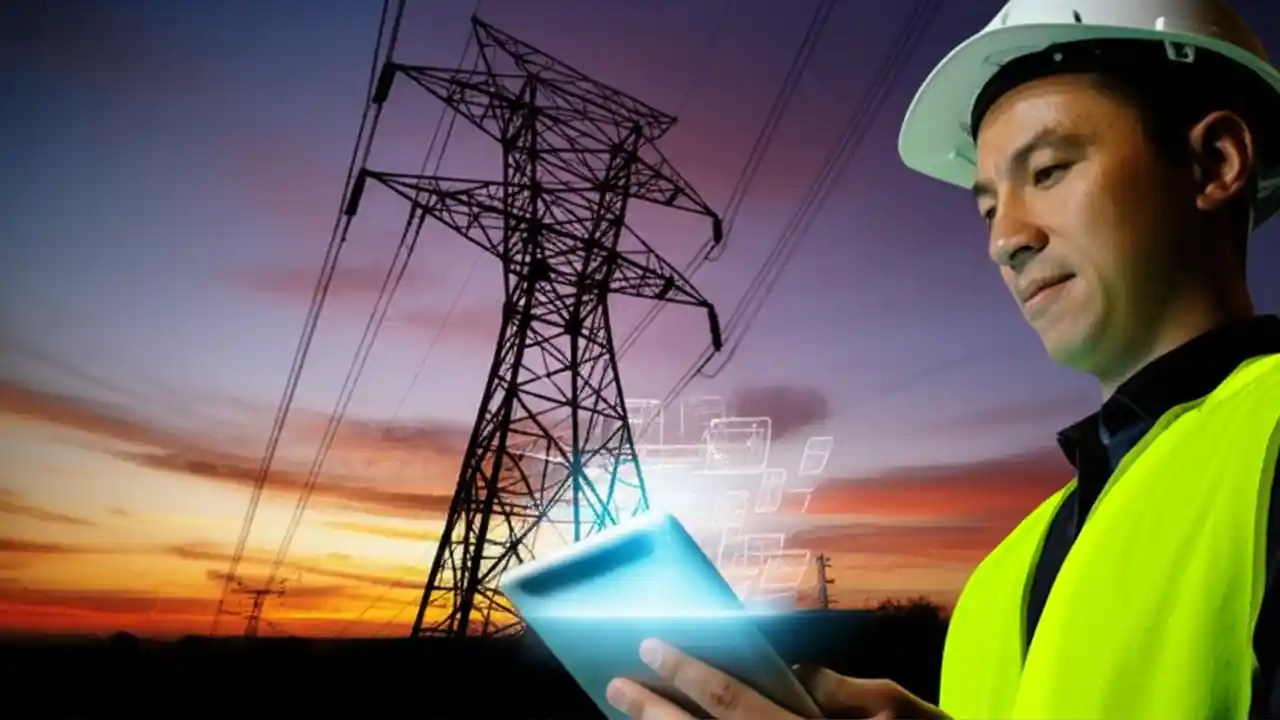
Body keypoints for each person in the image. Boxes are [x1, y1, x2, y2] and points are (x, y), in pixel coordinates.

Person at [605, 0, 1280, 718]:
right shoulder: (1004, 575)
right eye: (988, 208)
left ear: (1215, 164)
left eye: (1048, 171)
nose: (1005, 240)